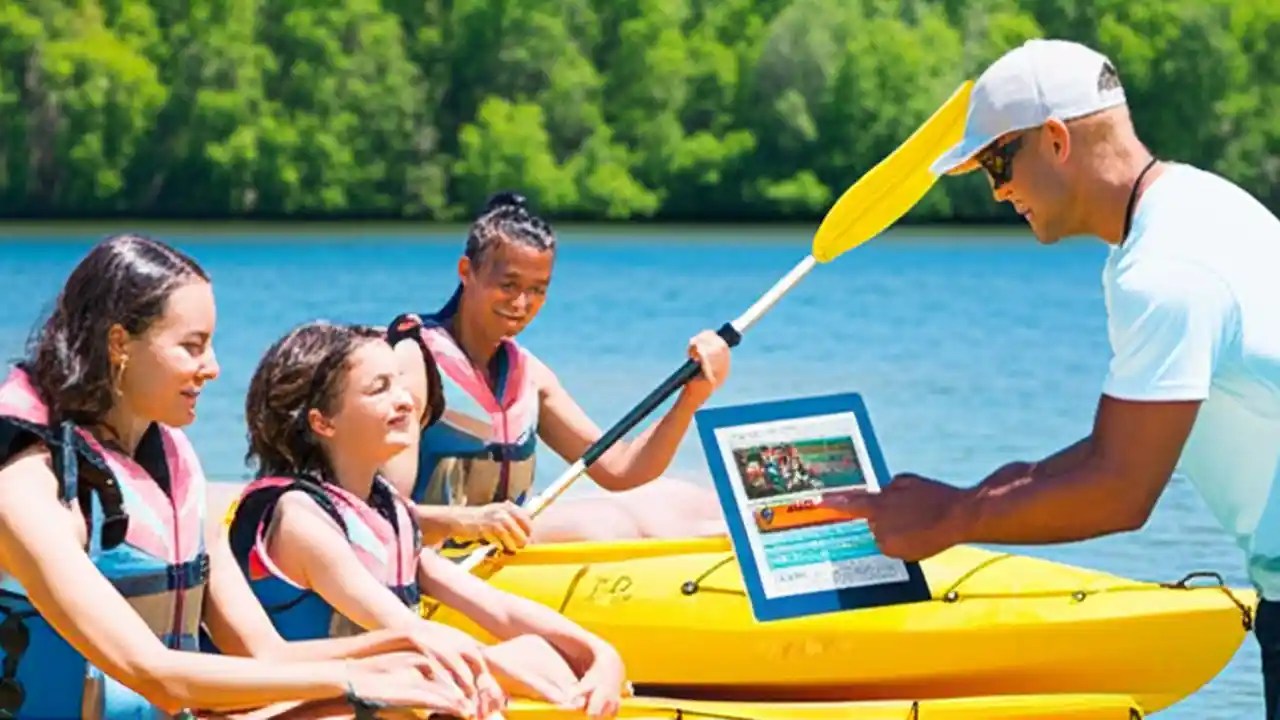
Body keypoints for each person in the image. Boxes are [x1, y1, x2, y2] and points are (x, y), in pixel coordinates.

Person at [843, 39, 1280, 717]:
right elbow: (1114, 451)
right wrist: (969, 496)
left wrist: (957, 517)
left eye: (997, 162)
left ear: (1054, 140)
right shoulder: (1196, 204)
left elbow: (1120, 491)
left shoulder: (1163, 273)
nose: (998, 192)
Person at [0, 234, 474, 718]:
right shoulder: (32, 486)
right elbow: (152, 672)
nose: (214, 368)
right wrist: (356, 678)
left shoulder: (174, 463)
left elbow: (266, 654)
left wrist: (416, 648)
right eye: (192, 347)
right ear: (120, 343)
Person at [226, 320, 629, 720]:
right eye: (379, 388)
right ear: (323, 422)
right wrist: (482, 668)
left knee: (535, 651)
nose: (406, 401)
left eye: (400, 383)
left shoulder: (387, 511)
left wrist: (599, 653)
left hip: (381, 694)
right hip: (305, 707)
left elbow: (498, 609)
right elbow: (404, 630)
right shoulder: (299, 517)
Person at [382, 191, 733, 551]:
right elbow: (381, 514)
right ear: (466, 272)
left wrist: (691, 397)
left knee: (684, 499)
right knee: (606, 525)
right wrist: (471, 522)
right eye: (508, 286)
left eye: (537, 290)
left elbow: (620, 470)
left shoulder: (528, 375)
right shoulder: (414, 362)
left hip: (499, 551)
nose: (521, 304)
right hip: (431, 562)